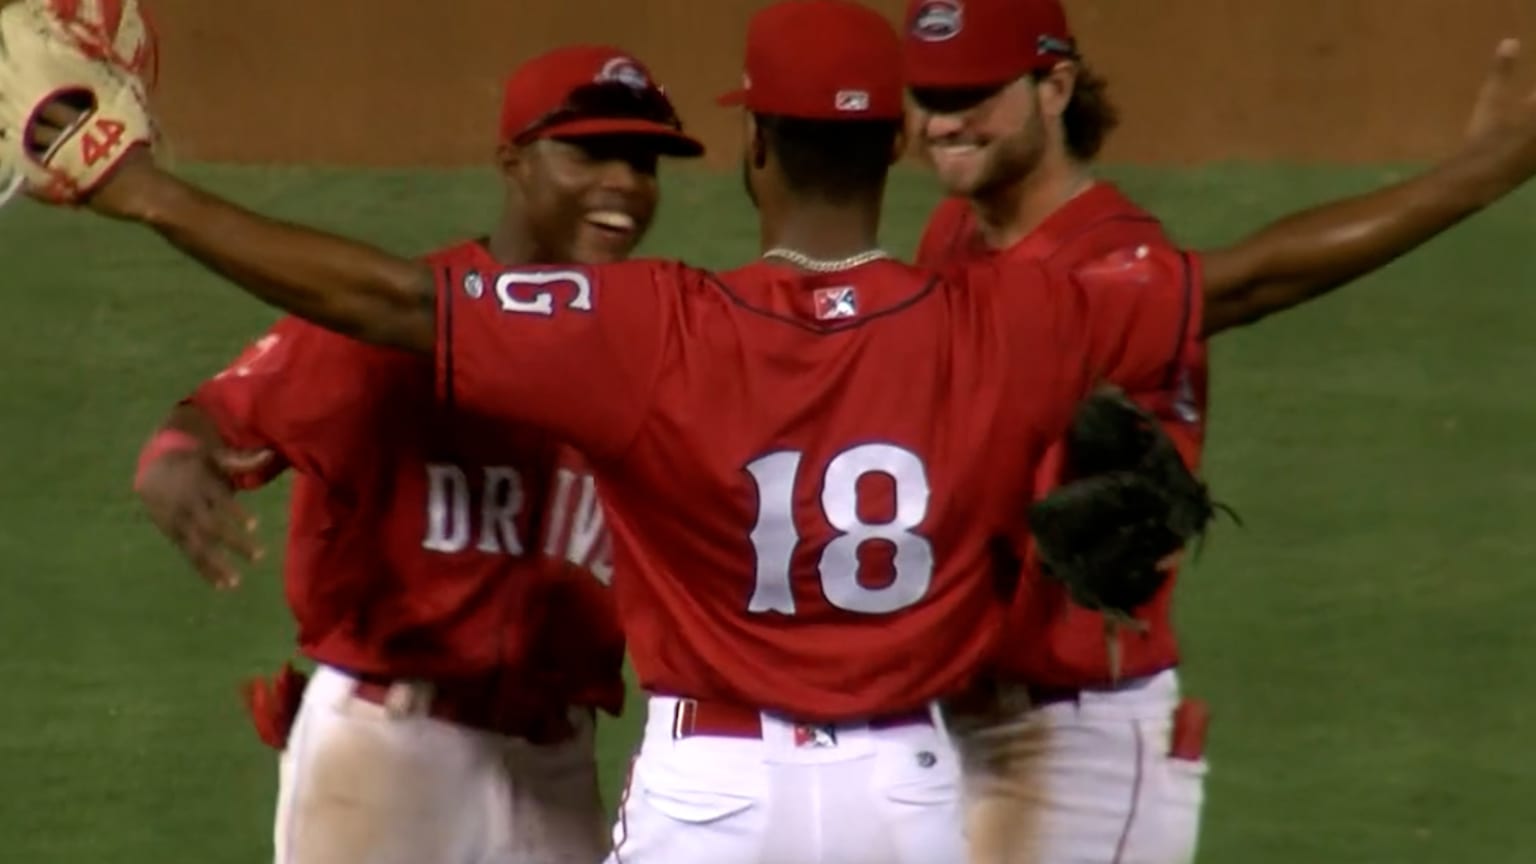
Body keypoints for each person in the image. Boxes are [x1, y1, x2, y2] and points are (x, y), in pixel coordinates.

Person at [21, 0, 1536, 861]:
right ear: (894, 149)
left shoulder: (655, 327)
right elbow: (1258, 274)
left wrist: (140, 187)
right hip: (909, 793)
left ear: (750, 152)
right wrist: (1486, 169)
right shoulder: (1007, 313)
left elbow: (388, 297)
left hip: (714, 792)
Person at [902, 1, 1536, 862]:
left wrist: (1476, 174)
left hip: (1069, 745)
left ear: (1054, 88)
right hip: (949, 729)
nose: (943, 120)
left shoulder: (1115, 261)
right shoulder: (953, 234)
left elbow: (1252, 282)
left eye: (974, 93)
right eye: (928, 93)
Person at [130, 44, 704, 864]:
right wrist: (176, 454)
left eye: (643, 162)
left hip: (556, 761)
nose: (624, 183)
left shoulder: (650, 341)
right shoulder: (398, 318)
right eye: (591, 152)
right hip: (391, 751)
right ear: (514, 162)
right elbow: (221, 412)